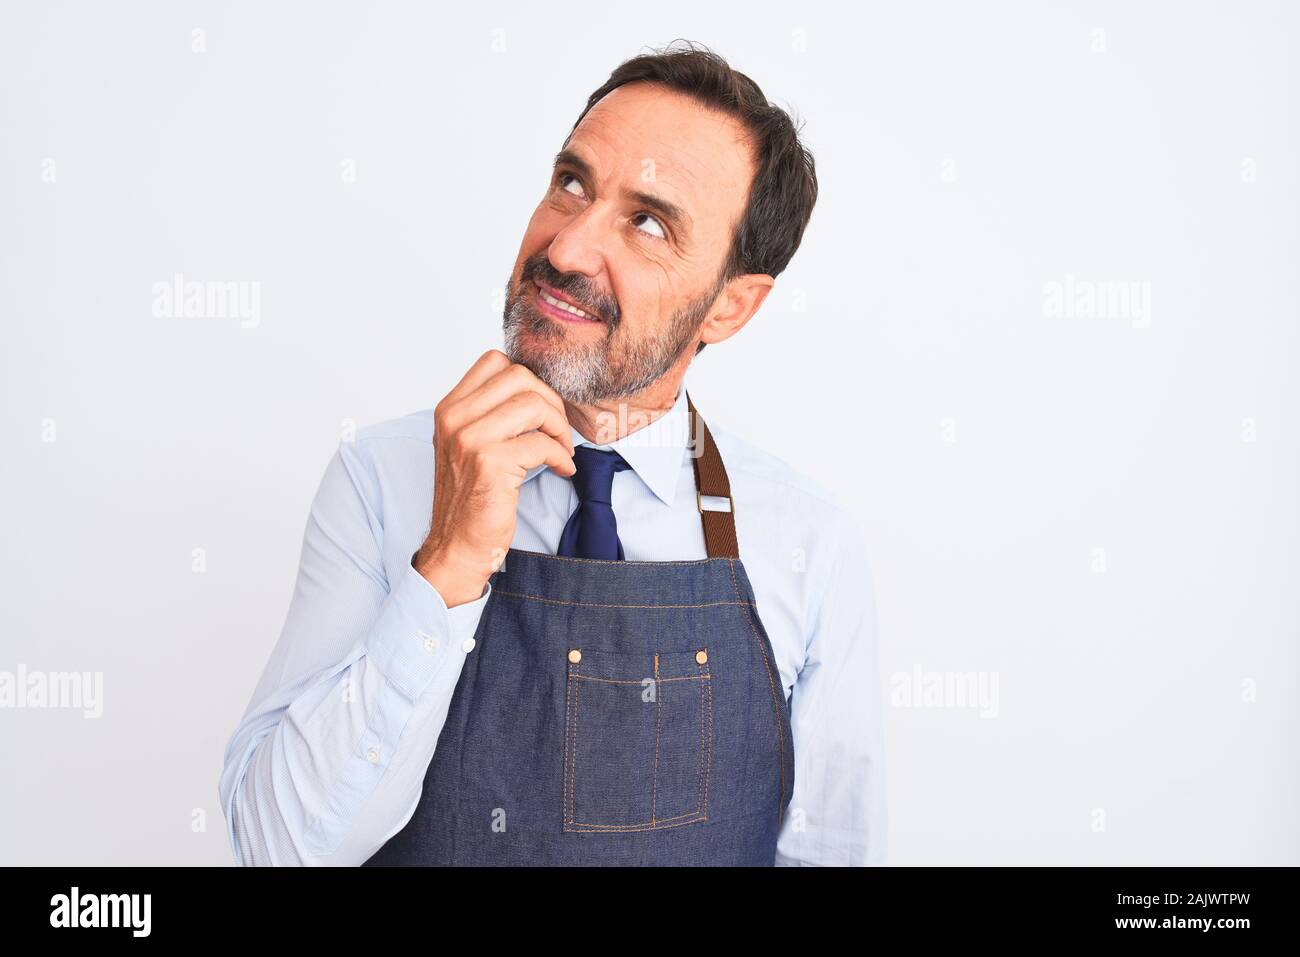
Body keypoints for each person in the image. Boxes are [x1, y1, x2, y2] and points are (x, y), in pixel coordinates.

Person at [219, 40, 886, 866]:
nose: (566, 250)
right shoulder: (380, 481)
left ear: (730, 306)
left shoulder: (807, 542)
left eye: (647, 222)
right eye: (571, 183)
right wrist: (448, 567)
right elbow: (276, 847)